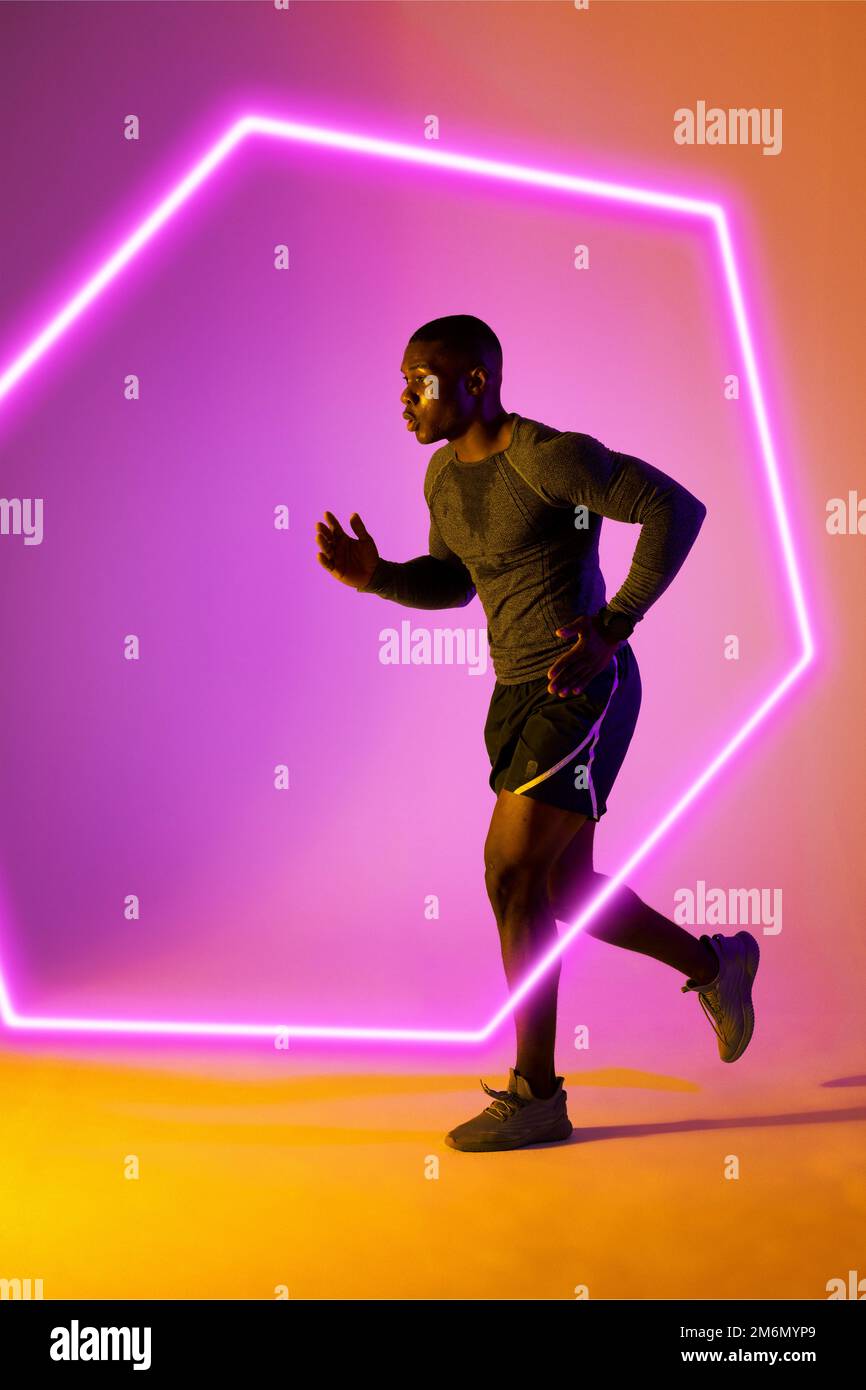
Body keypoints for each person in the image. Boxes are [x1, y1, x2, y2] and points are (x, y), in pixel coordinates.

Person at [315, 314, 759, 1154]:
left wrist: (614, 624)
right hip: (516, 695)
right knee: (557, 890)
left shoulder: (546, 456)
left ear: (476, 381)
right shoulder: (444, 481)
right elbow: (454, 581)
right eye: (403, 385)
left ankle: (536, 1094)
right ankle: (715, 966)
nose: (406, 399)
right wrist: (378, 579)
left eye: (422, 381)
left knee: (509, 873)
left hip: (584, 687)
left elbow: (674, 507)